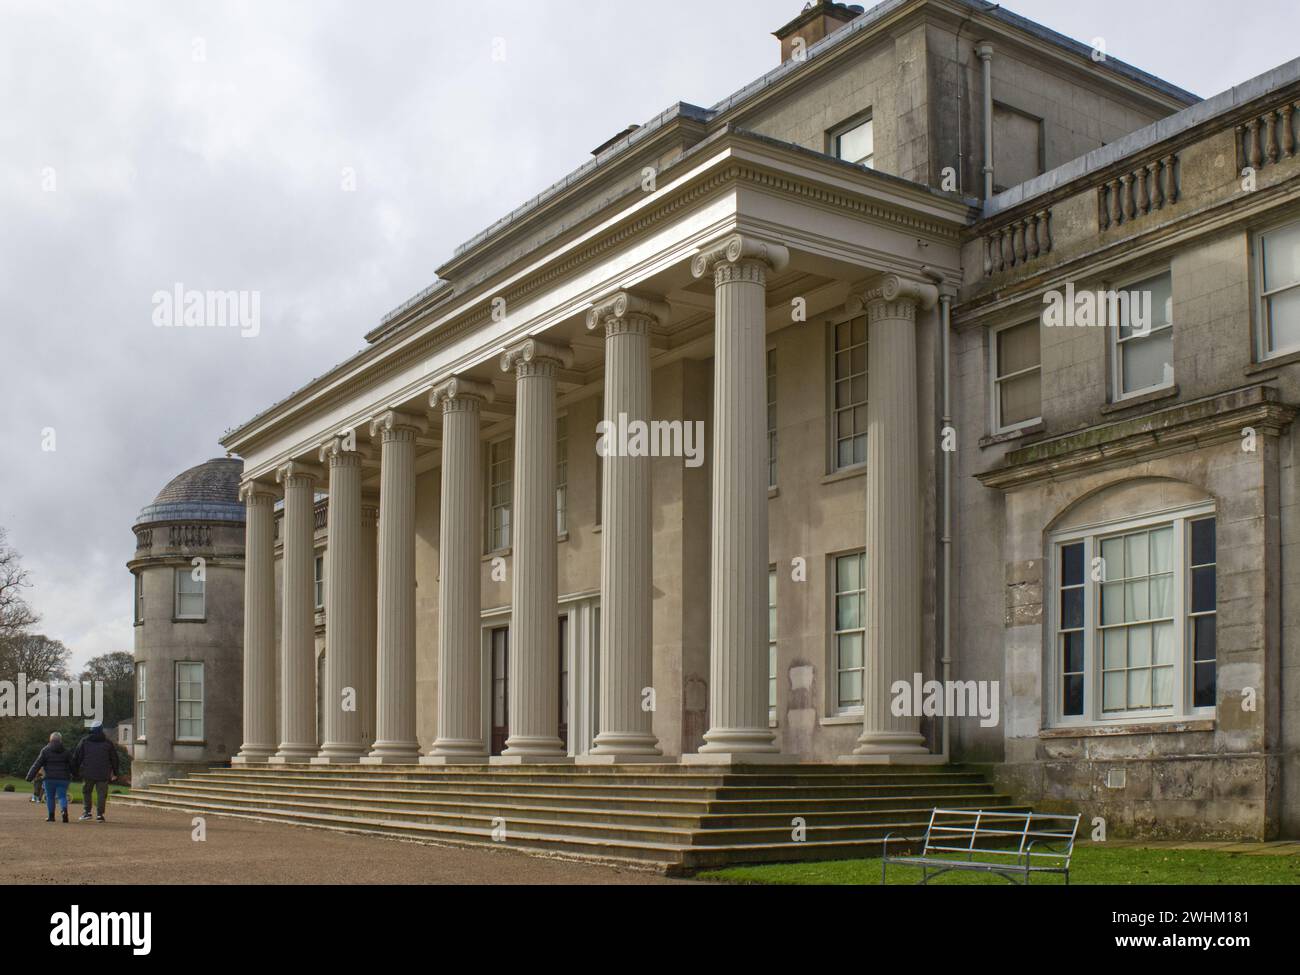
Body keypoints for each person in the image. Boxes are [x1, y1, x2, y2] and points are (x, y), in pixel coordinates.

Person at [73, 723, 120, 822]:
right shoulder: (108, 743)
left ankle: (87, 812)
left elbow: (77, 757)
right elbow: (114, 759)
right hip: (103, 773)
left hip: (88, 772)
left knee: (86, 792)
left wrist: (75, 771)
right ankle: (100, 814)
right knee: (102, 794)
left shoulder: (85, 741)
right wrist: (115, 773)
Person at [26, 732, 75, 823]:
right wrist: (75, 774)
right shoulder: (67, 751)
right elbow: (72, 765)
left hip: (49, 778)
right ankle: (64, 811)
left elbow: (37, 764)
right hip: (63, 778)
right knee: (62, 796)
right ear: (60, 740)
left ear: (50, 740)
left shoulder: (45, 750)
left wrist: (30, 776)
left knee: (50, 797)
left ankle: (51, 816)